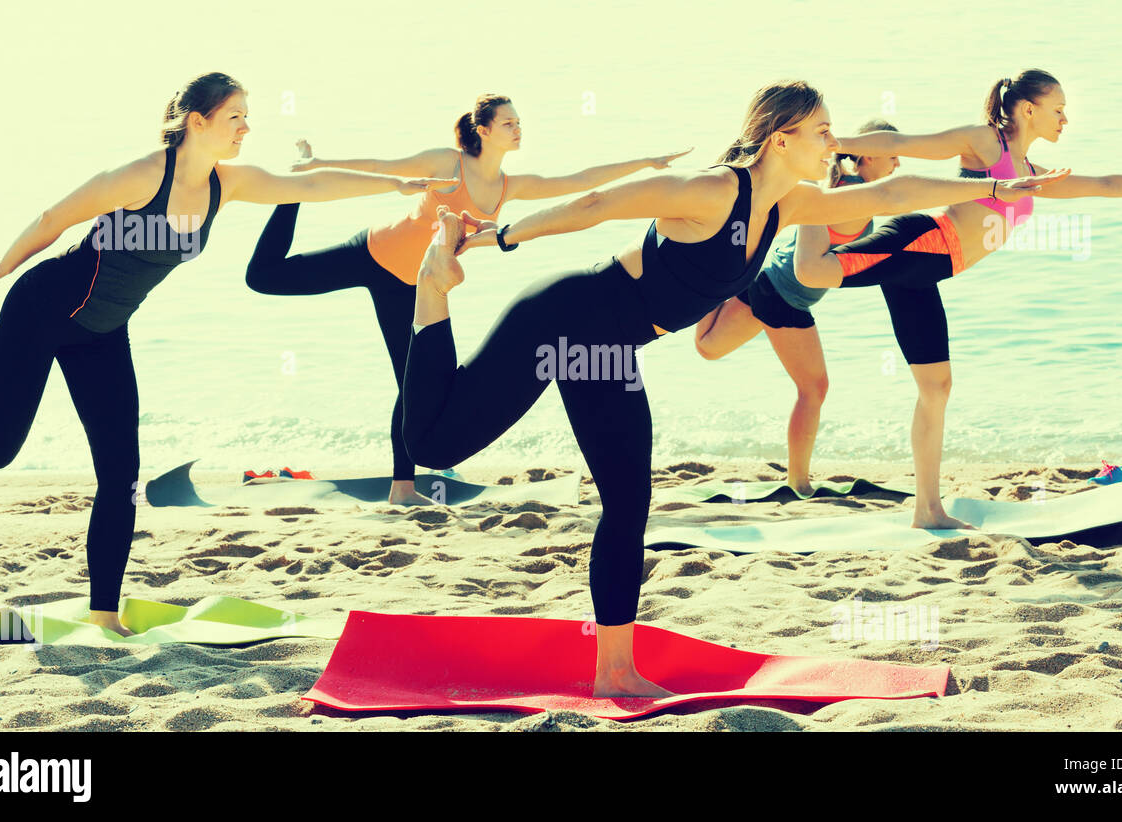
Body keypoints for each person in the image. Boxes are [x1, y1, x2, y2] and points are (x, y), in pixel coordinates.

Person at [400, 81, 1063, 696]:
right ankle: (431, 291)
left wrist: (995, 193)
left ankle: (615, 670)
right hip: (563, 318)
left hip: (610, 350)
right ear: (782, 140)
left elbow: (888, 196)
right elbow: (603, 205)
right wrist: (506, 235)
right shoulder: (717, 191)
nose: (835, 144)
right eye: (822, 132)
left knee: (629, 503)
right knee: (435, 443)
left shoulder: (789, 203)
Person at [0, 72, 451, 636]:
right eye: (235, 116)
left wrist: (397, 184)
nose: (246, 127)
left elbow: (306, 185)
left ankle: (104, 615)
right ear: (197, 122)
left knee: (121, 475)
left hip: (104, 332)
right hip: (44, 310)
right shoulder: (143, 176)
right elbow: (52, 219)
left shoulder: (224, 184)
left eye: (246, 116)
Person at [790, 69, 1122, 529]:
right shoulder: (986, 143)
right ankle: (803, 193)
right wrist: (831, 144)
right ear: (1028, 109)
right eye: (1058, 109)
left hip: (929, 274)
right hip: (921, 243)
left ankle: (927, 511)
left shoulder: (1033, 175)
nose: (1065, 119)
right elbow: (906, 143)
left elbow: (1107, 184)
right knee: (811, 269)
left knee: (936, 390)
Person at [245, 94, 690, 504]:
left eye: (519, 122)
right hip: (372, 254)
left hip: (415, 287)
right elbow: (385, 165)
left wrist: (646, 162)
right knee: (264, 277)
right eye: (509, 122)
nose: (518, 128)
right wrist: (316, 165)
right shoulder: (448, 163)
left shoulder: (507, 186)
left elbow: (578, 182)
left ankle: (403, 488)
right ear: (484, 129)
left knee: (411, 383)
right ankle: (291, 195)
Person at [694, 119, 901, 495]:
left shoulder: (853, 191)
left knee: (708, 347)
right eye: (893, 155)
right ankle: (799, 482)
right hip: (783, 294)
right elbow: (818, 258)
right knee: (814, 388)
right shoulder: (844, 193)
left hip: (767, 282)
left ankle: (713, 276)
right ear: (868, 156)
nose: (898, 164)